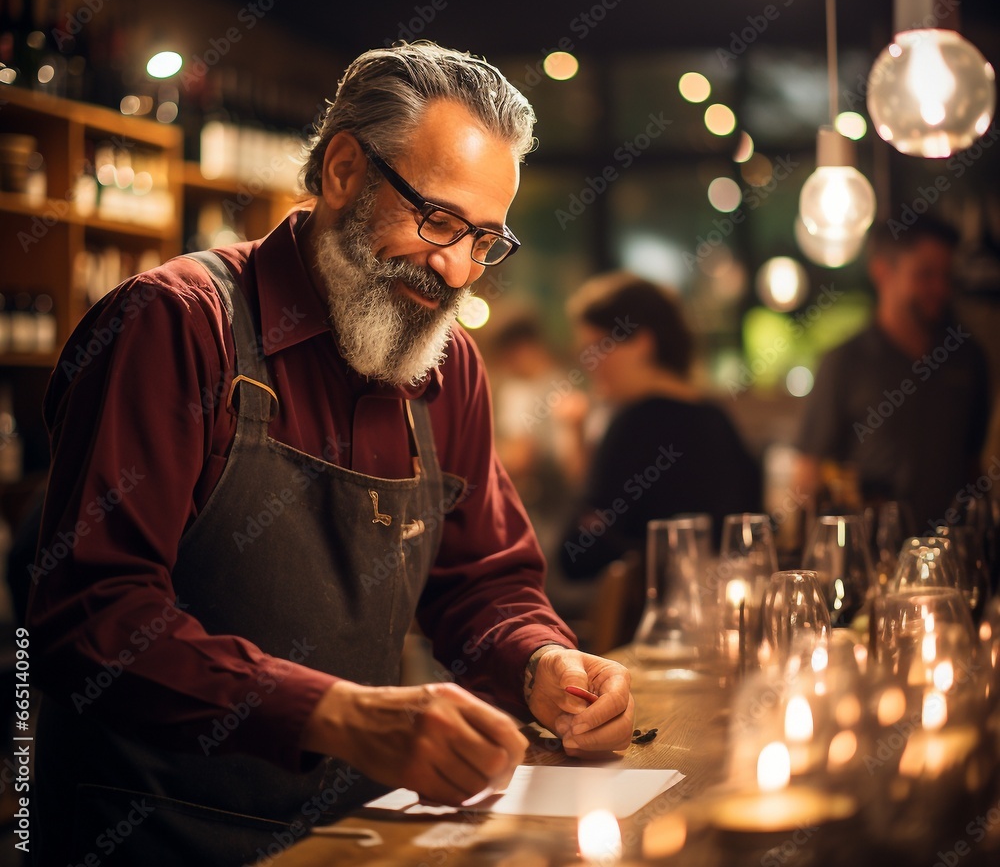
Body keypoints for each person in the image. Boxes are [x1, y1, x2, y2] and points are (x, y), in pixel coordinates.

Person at [26, 42, 634, 867]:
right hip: (151, 836)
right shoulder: (175, 325)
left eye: (484, 239)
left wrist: (542, 662)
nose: (457, 268)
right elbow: (93, 616)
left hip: (348, 840)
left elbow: (482, 583)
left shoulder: (448, 371)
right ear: (343, 170)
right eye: (440, 221)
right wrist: (333, 714)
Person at [559, 272, 762, 581]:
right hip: (725, 609)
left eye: (598, 347)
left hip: (656, 619)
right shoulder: (717, 419)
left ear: (641, 343)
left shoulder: (633, 426)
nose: (590, 363)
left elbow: (576, 554)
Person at [794, 217, 991, 532]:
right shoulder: (845, 361)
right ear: (883, 272)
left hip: (953, 557)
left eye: (946, 276)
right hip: (872, 562)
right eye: (925, 274)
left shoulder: (968, 358)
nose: (940, 288)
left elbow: (973, 465)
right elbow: (808, 473)